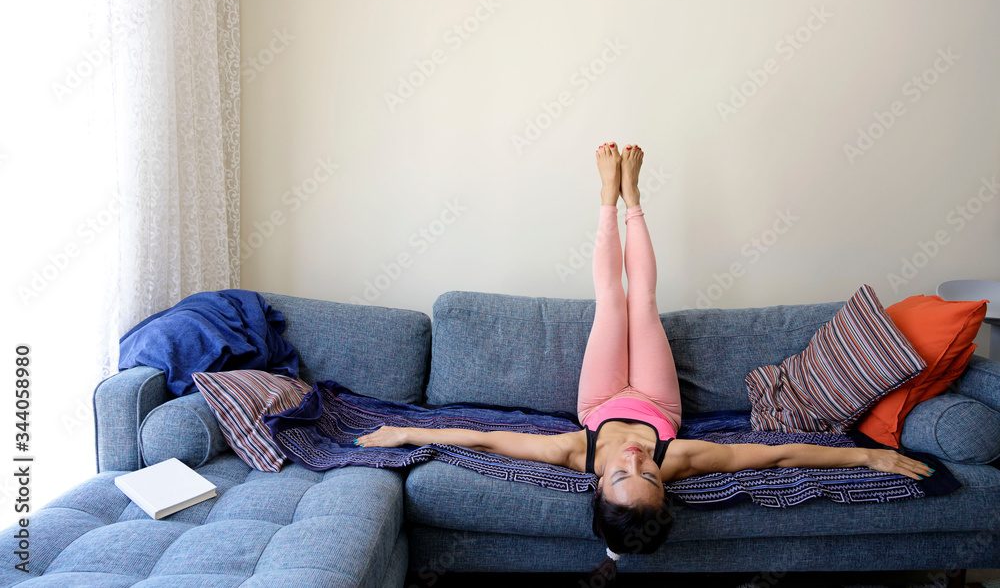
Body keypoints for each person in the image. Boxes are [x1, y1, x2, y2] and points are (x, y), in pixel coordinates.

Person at [355, 142, 935, 578]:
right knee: (645, 301)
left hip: (602, 401)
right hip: (658, 402)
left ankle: (607, 197)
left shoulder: (573, 451)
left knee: (613, 300)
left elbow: (481, 440)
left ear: (596, 482)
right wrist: (868, 459)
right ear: (666, 476)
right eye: (650, 473)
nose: (634, 458)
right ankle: (636, 199)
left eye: (621, 473)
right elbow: (777, 454)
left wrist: (407, 429)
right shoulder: (679, 454)